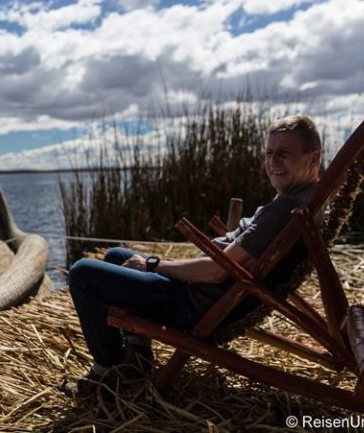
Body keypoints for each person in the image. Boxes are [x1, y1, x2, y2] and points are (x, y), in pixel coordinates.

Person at [61, 115, 322, 398]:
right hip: (209, 296)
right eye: (269, 153)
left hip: (195, 305)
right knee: (116, 255)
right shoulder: (304, 200)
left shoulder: (286, 209)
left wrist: (154, 264)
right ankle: (136, 358)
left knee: (83, 273)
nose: (273, 162)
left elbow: (217, 271)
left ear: (313, 158)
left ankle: (107, 372)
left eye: (284, 153)